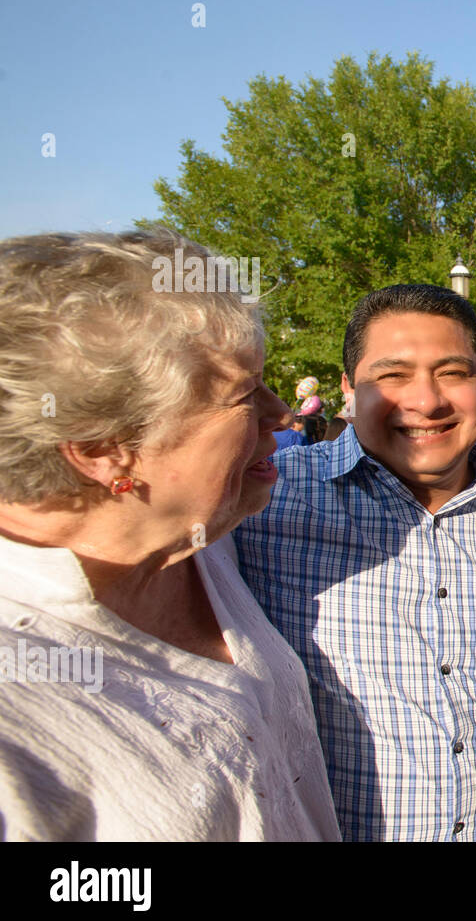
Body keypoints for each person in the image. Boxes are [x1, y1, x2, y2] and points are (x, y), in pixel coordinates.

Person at [0, 230, 339, 840]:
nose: (281, 414)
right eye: (243, 394)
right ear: (106, 451)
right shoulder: (19, 726)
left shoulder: (203, 536)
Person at [234, 285, 476, 841]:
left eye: (453, 372)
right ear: (348, 388)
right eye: (392, 375)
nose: (427, 400)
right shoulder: (263, 506)